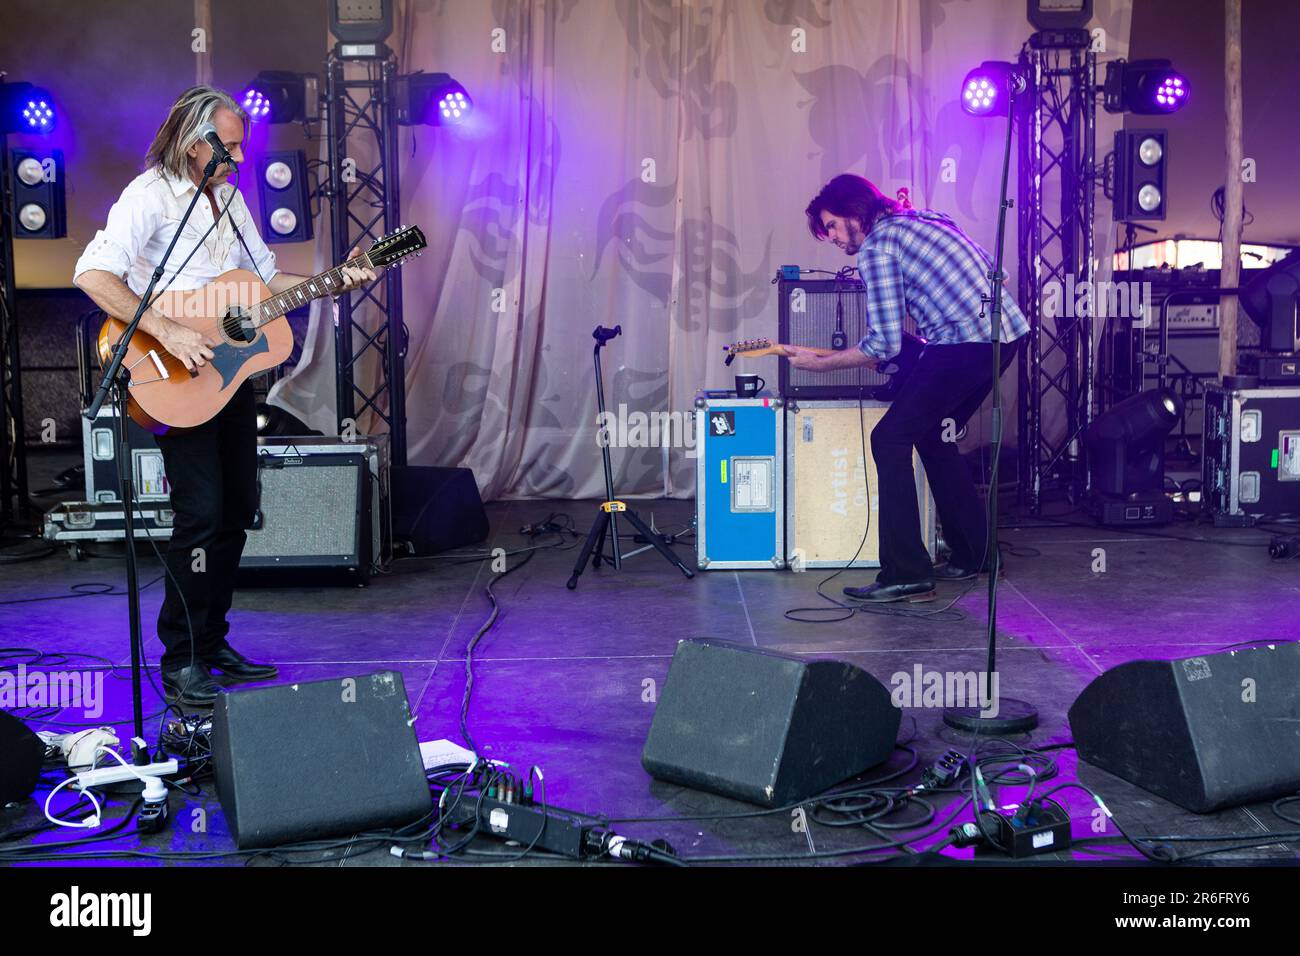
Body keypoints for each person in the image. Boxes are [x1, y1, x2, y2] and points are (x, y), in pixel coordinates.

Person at [74, 87, 374, 705]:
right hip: (172, 375)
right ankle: (181, 657)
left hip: (228, 373)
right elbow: (93, 273)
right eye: (229, 145)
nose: (239, 157)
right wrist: (168, 328)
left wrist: (334, 279)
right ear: (194, 142)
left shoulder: (232, 199)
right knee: (200, 515)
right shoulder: (149, 196)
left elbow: (264, 280)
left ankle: (212, 642)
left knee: (238, 509)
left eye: (241, 144)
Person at [790, 174, 1029, 603]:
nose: (829, 237)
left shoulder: (877, 250)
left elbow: (883, 343)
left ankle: (906, 572)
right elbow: (1001, 276)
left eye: (830, 225)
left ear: (853, 212)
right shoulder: (927, 217)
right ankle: (976, 556)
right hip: (1005, 336)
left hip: (964, 345)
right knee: (934, 436)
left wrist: (821, 365)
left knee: (889, 438)